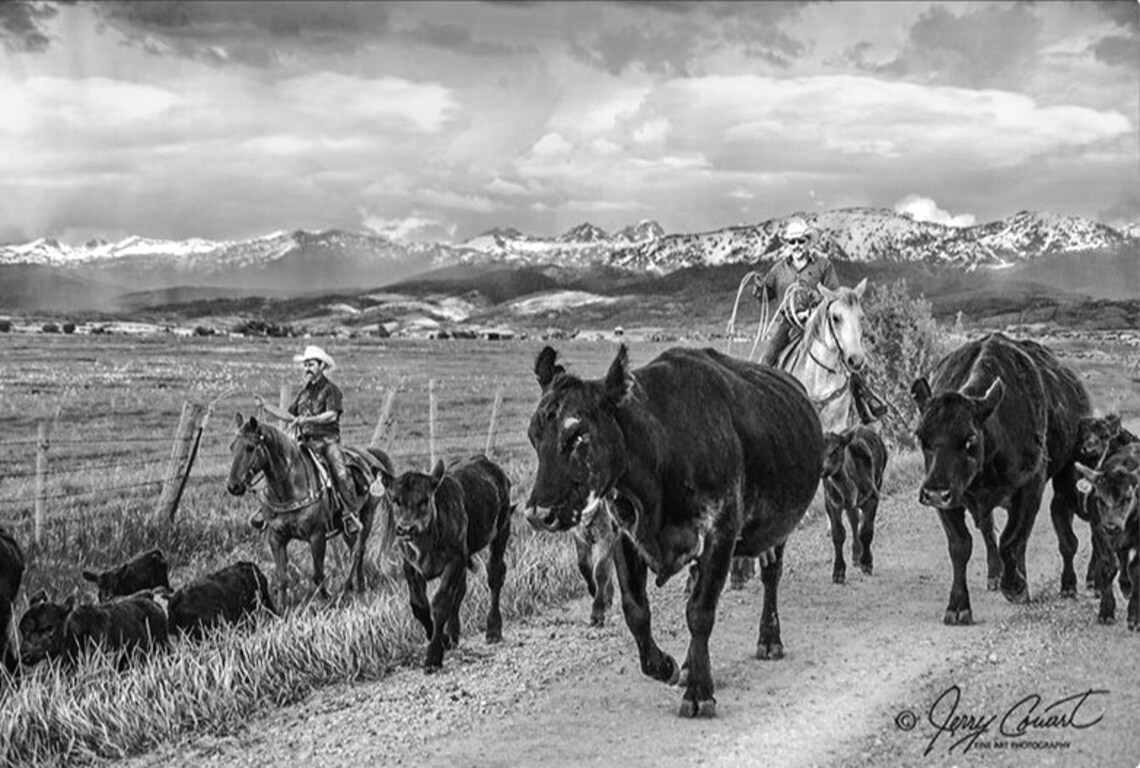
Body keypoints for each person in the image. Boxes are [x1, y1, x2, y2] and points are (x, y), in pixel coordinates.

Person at [754, 217, 887, 424]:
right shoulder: (778, 270)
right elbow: (764, 295)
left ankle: (864, 402)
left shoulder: (823, 265)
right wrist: (759, 287)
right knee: (767, 359)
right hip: (789, 323)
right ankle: (763, 410)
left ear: (807, 241)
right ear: (787, 245)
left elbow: (835, 298)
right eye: (792, 242)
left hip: (819, 322)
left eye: (800, 240)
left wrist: (813, 311)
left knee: (849, 357)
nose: (797, 245)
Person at [255, 345, 361, 535]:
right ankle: (270, 508)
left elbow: (332, 415)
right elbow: (288, 415)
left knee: (341, 472)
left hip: (328, 441)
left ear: (322, 366)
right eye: (305, 365)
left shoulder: (331, 390)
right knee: (278, 465)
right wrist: (267, 406)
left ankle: (350, 513)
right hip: (304, 441)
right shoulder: (303, 393)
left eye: (311, 364)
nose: (307, 369)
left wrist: (308, 419)